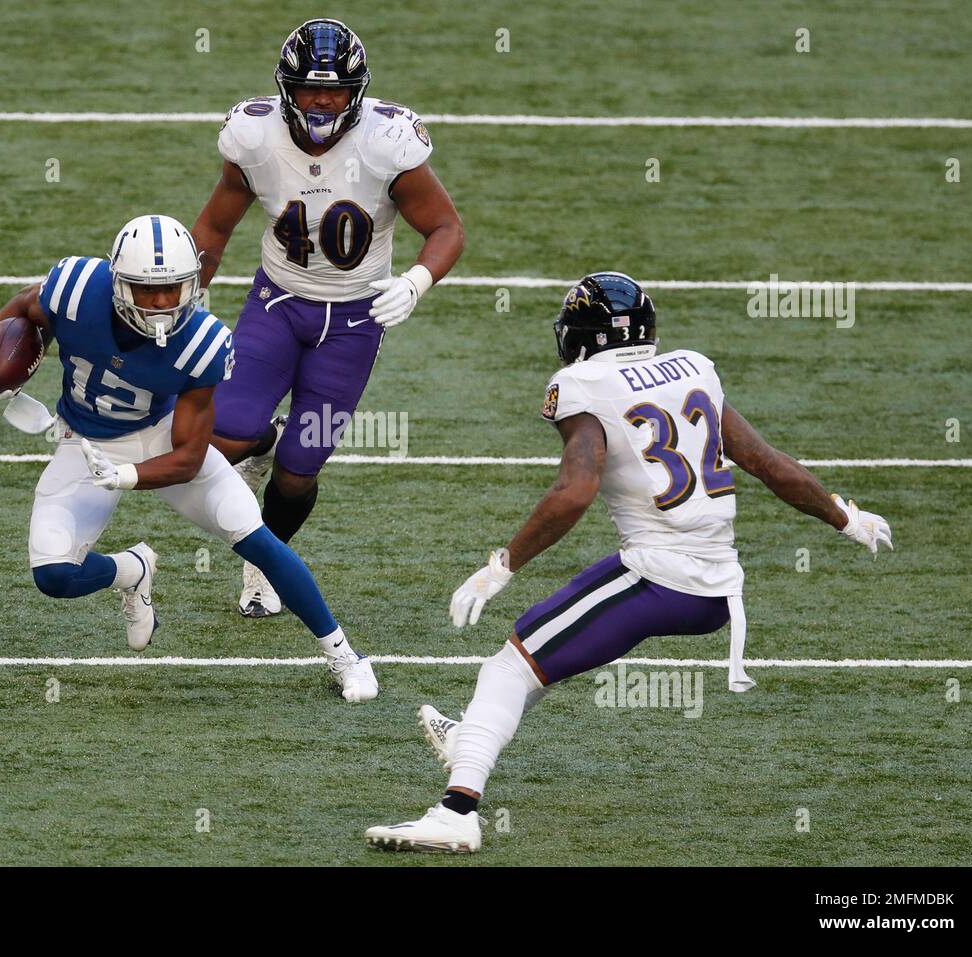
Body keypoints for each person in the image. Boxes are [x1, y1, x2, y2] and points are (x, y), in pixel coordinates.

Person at [365, 272, 893, 852]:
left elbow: (574, 492)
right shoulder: (693, 368)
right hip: (717, 587)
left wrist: (502, 565)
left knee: (507, 668)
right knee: (534, 660)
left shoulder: (583, 383)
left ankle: (456, 812)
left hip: (660, 578)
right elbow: (768, 463)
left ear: (585, 336)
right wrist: (846, 519)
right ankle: (473, 735)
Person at [0, 214, 378, 702]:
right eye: (147, 289)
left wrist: (126, 475)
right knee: (53, 575)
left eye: (173, 288)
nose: (163, 302)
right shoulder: (76, 288)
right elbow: (25, 307)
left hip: (162, 439)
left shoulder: (203, 343)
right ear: (118, 282)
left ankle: (344, 656)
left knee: (255, 537)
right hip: (85, 441)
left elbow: (187, 459)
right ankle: (131, 570)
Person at [192, 18, 465, 617]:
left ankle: (267, 561)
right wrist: (187, 301)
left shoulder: (387, 143)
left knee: (299, 469)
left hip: (355, 321)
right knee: (226, 434)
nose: (321, 101)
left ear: (356, 92)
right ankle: (261, 439)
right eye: (310, 88)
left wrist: (415, 282)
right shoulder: (255, 138)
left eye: (335, 90)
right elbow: (214, 225)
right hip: (278, 302)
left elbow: (446, 227)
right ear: (286, 87)